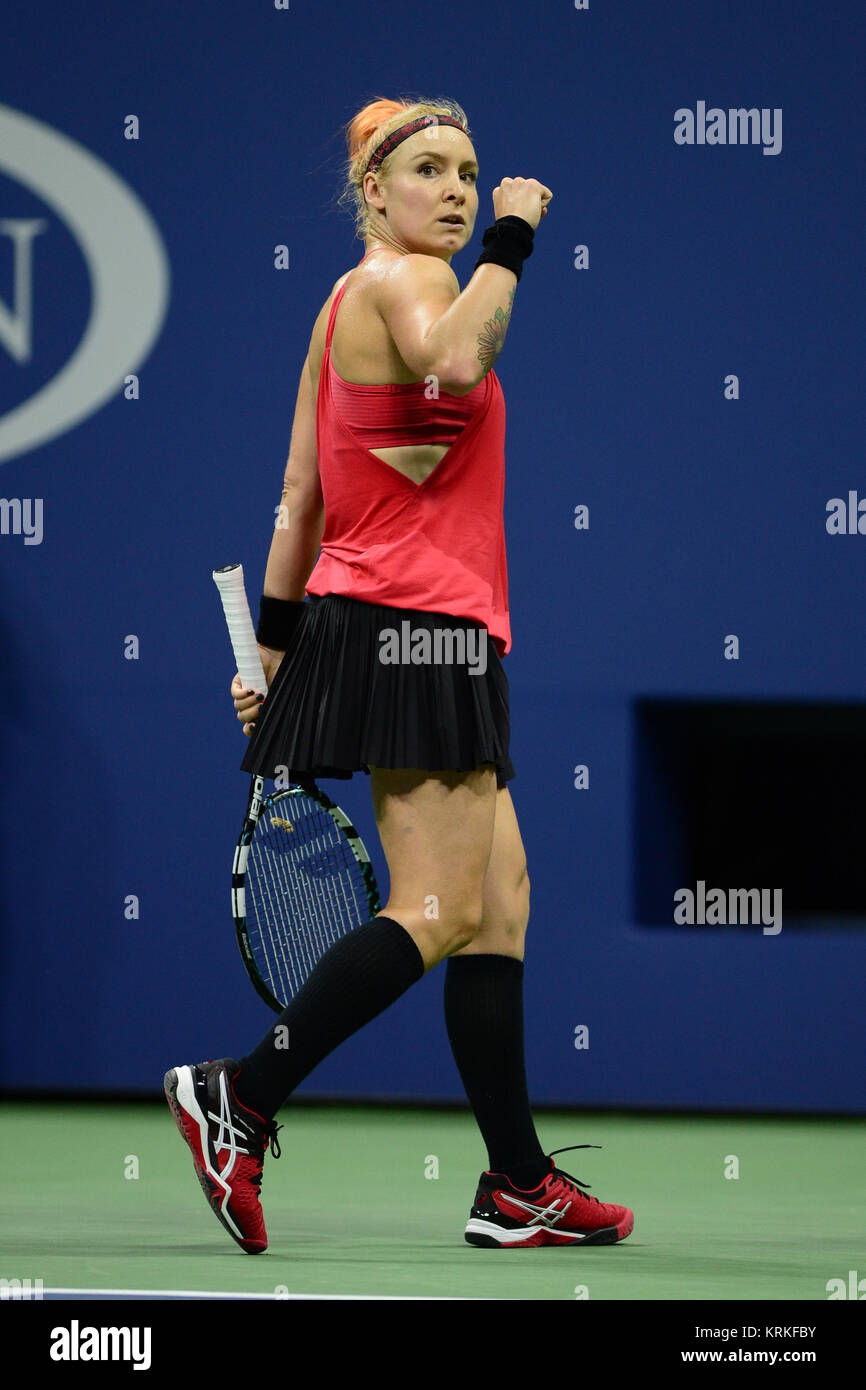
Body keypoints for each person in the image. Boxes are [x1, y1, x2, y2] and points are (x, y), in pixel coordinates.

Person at [165, 95, 633, 1253]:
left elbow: (297, 496)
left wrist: (273, 651)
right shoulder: (417, 285)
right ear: (372, 191)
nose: (461, 191)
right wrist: (513, 241)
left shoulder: (335, 306)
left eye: (472, 173)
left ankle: (516, 1180)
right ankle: (241, 1092)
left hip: (370, 624)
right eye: (429, 170)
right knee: (432, 908)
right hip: (421, 632)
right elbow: (460, 362)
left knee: (496, 903)